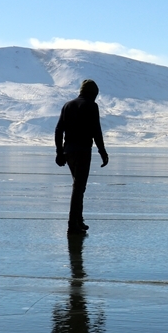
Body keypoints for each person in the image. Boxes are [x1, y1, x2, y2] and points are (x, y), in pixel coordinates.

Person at [55, 79, 109, 234]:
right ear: (92, 94)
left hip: (69, 151)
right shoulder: (91, 106)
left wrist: (59, 152)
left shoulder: (68, 105)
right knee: (79, 187)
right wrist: (102, 152)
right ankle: (73, 224)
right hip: (83, 151)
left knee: (78, 185)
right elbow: (96, 130)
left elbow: (59, 130)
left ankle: (79, 220)